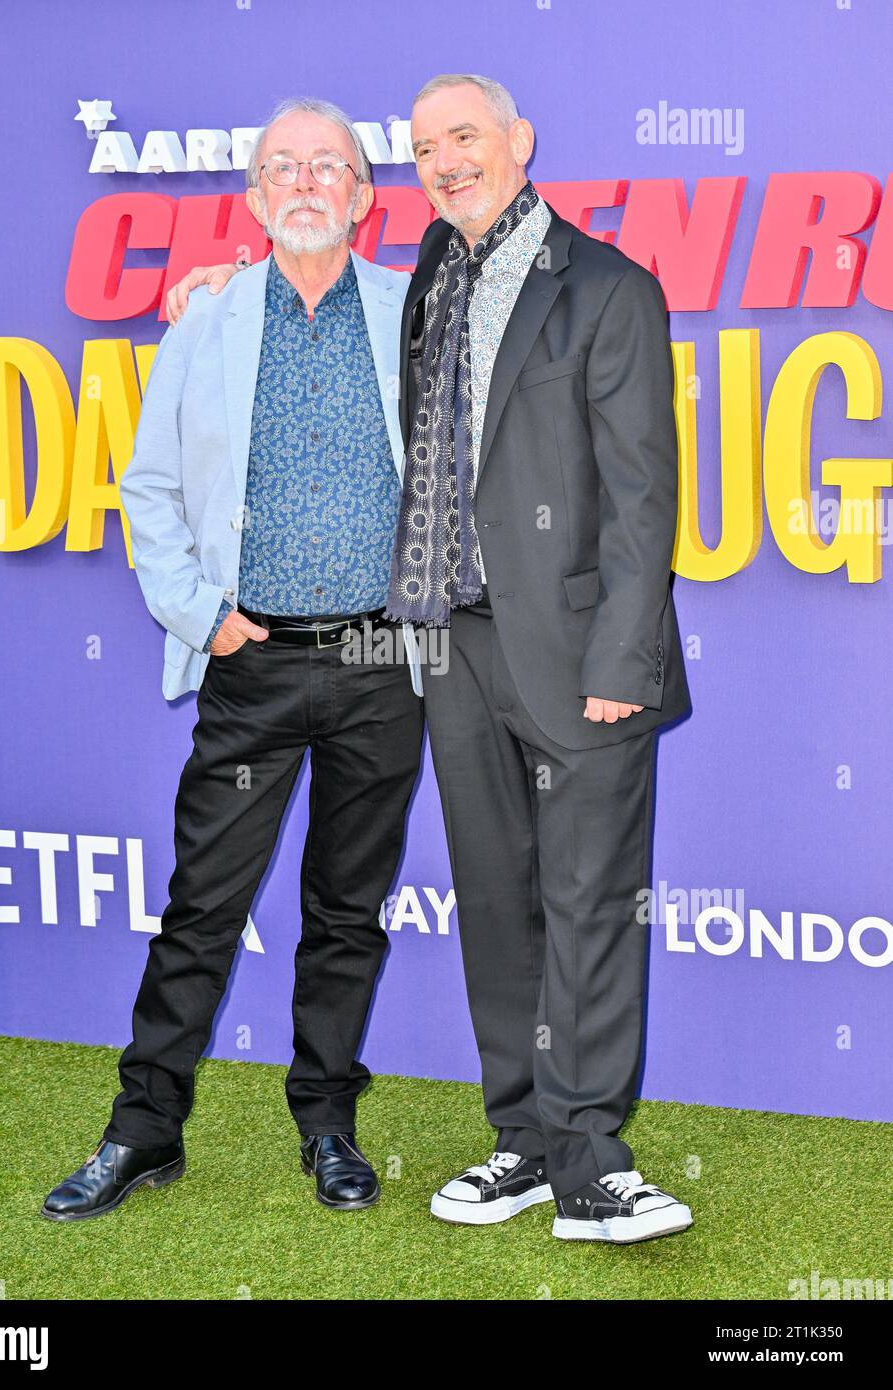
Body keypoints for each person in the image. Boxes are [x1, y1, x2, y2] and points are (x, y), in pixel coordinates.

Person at [167, 73, 694, 1245]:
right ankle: (521, 1136)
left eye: (465, 136)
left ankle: (592, 1157)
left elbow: (646, 501)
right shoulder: (429, 287)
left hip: (579, 658)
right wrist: (210, 296)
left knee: (589, 903)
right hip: (451, 652)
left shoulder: (609, 287)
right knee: (501, 904)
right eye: (423, 147)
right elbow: (307, 307)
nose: (444, 159)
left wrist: (625, 657)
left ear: (519, 141)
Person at [41, 98, 424, 1223]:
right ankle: (142, 1130)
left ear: (363, 197)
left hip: (378, 662)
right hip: (250, 664)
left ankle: (329, 1128)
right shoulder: (204, 320)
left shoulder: (412, 316)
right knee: (201, 905)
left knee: (348, 910)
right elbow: (148, 486)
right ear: (256, 198)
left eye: (329, 168)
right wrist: (198, 612)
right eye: (282, 169)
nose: (306, 183)